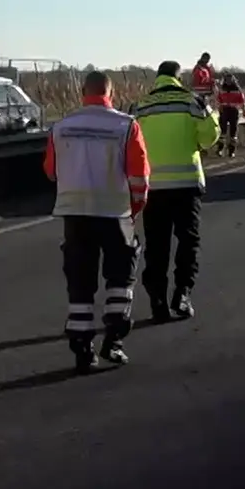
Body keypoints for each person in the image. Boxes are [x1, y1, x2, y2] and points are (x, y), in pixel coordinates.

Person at [43, 70, 149, 372]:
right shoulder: (126, 126)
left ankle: (82, 349)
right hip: (115, 213)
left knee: (80, 282)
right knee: (120, 278)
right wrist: (135, 208)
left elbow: (50, 171)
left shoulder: (61, 127)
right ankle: (113, 340)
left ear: (82, 92)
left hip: (75, 215)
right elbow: (140, 177)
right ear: (111, 93)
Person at [135, 61, 220, 323]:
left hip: (153, 188)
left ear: (158, 77)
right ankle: (182, 294)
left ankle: (157, 300)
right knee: (188, 241)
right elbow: (210, 137)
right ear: (178, 77)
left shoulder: (140, 106)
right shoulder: (191, 101)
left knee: (157, 246)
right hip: (186, 185)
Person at [215, 75, 245, 158]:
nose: (228, 81)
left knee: (233, 132)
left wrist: (244, 111)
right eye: (227, 79)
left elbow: (242, 101)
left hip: (234, 111)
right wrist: (219, 108)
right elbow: (218, 100)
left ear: (233, 80)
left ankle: (231, 151)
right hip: (224, 111)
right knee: (222, 131)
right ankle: (220, 150)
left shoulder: (238, 90)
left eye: (230, 79)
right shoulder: (222, 89)